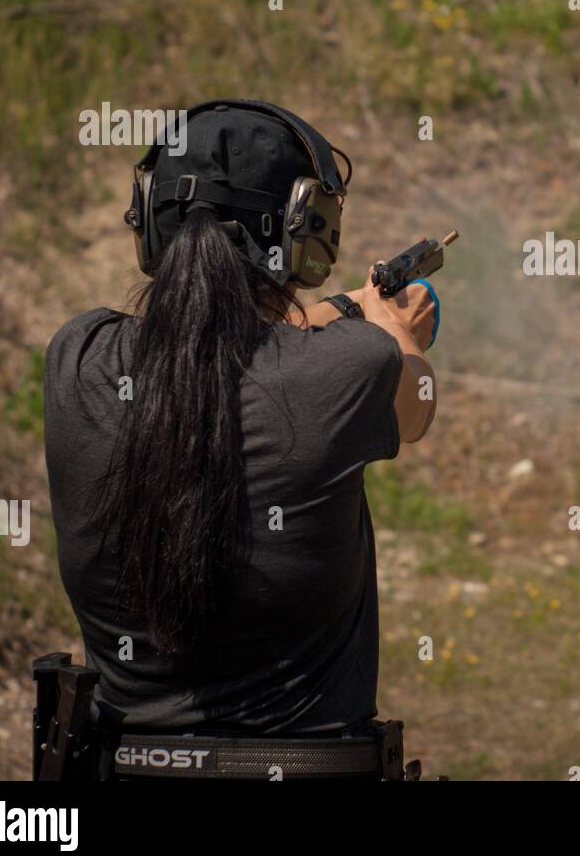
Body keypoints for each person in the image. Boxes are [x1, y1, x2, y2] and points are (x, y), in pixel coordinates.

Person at [42, 101, 436, 755]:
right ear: (307, 229)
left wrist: (337, 312)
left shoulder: (79, 357)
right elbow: (416, 404)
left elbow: (210, 352)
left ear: (149, 222)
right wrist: (391, 327)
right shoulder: (358, 367)